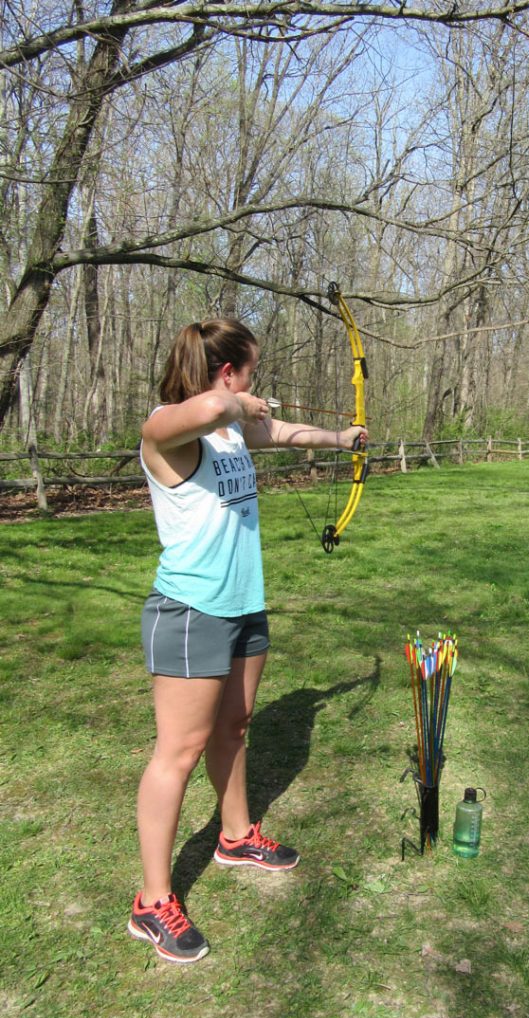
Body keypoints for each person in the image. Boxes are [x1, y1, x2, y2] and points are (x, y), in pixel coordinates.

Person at [129, 318, 366, 964]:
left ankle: (235, 836)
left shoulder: (229, 429)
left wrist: (343, 438)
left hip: (242, 606)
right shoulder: (168, 428)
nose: (255, 385)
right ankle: (152, 902)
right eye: (249, 371)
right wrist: (234, 402)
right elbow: (205, 411)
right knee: (177, 751)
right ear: (226, 374)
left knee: (235, 727)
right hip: (189, 611)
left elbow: (283, 432)